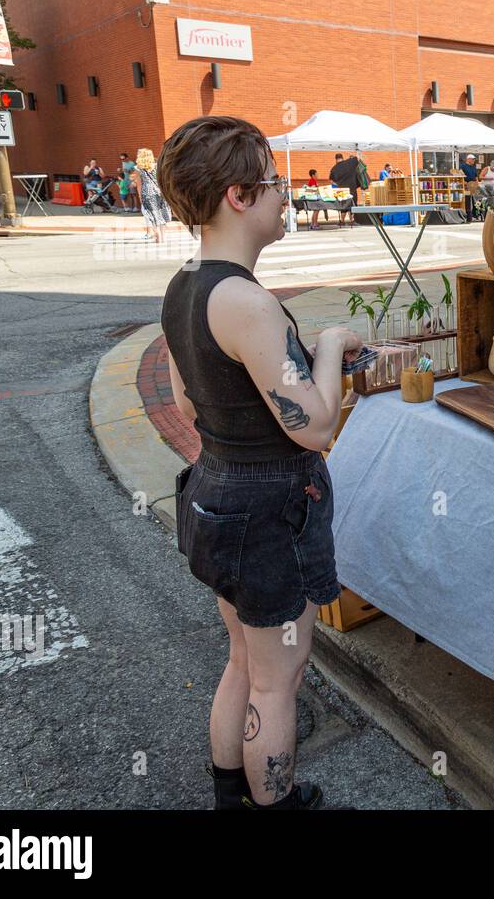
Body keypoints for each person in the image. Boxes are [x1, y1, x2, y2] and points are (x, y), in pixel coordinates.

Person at [158, 115, 362, 809]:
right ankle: (272, 802)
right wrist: (331, 346)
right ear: (238, 196)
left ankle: (231, 797)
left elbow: (187, 407)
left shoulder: (184, 286)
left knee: (244, 660)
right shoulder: (247, 303)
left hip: (215, 495)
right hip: (269, 512)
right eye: (274, 182)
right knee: (279, 678)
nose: (286, 196)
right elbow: (315, 424)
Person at [133, 147, 172, 243]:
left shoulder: (138, 169)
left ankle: (158, 236)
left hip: (147, 192)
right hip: (159, 192)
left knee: (152, 216)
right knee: (162, 215)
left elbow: (139, 185)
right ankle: (163, 237)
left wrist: (140, 197)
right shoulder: (157, 166)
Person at [328, 153, 359, 228]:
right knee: (352, 203)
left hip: (342, 190)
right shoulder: (350, 162)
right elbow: (358, 159)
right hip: (352, 187)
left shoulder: (334, 168)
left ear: (336, 159)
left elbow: (331, 181)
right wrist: (352, 158)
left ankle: (342, 221)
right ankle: (352, 220)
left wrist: (338, 184)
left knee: (344, 204)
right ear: (342, 157)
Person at [460, 154, 479, 220]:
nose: (474, 160)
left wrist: (477, 184)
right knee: (467, 200)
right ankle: (468, 216)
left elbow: (476, 176)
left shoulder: (473, 167)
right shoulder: (463, 166)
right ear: (468, 159)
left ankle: (475, 215)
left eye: (474, 159)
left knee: (475, 200)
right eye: (473, 159)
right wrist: (464, 182)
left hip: (473, 184)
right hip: (467, 185)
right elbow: (461, 174)